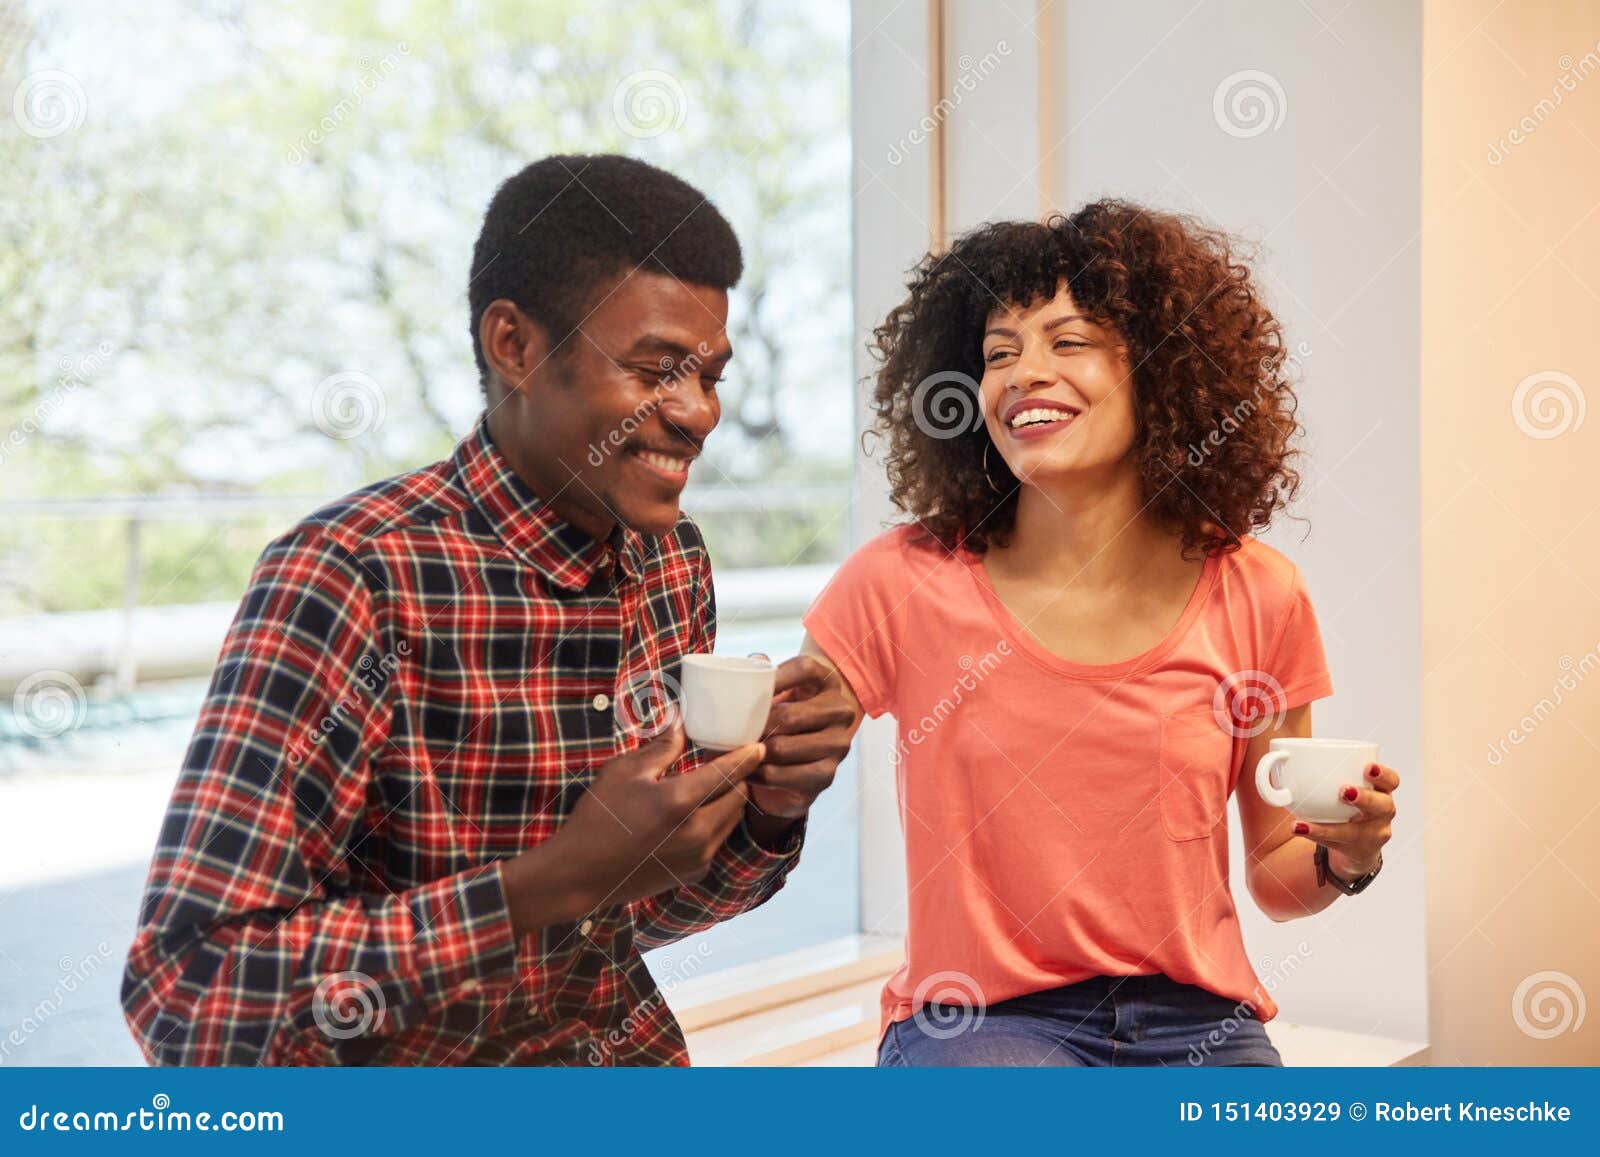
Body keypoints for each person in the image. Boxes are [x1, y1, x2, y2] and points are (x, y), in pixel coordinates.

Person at [120, 154, 854, 1066]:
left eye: (711, 376)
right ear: (514, 345)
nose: (699, 413)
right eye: (658, 369)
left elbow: (641, 913)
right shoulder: (351, 578)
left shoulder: (672, 565)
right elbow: (186, 997)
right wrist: (539, 886)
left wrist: (769, 811)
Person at [800, 201, 1401, 1067]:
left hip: (1202, 1025)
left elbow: (1275, 867)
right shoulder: (905, 579)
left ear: (1162, 370)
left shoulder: (1258, 592)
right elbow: (775, 751)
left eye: (1067, 341)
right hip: (985, 1024)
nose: (1023, 373)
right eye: (998, 352)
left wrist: (1347, 855)